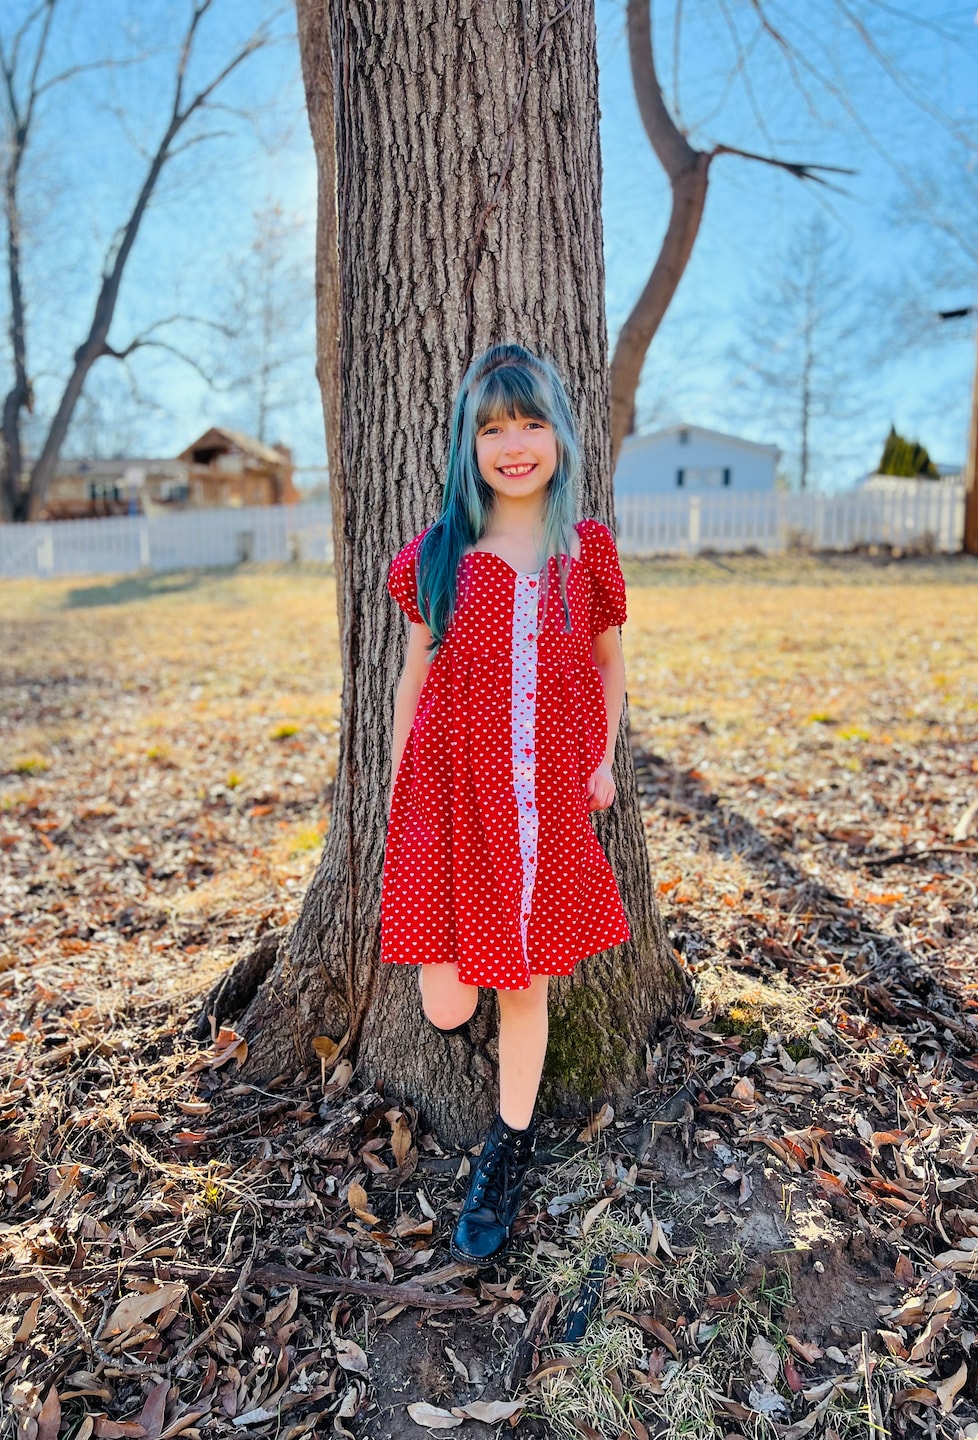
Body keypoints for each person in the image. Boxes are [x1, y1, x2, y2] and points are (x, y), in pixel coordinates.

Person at [380, 341, 631, 1266]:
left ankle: (508, 1144)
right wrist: (408, 785)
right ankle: (484, 954)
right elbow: (414, 675)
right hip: (454, 800)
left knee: (527, 981)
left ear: (558, 435)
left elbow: (610, 665)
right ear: (469, 444)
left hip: (546, 806)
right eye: (494, 428)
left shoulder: (583, 553)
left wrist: (601, 757)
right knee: (446, 1002)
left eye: (531, 423)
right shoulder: (439, 554)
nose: (514, 444)